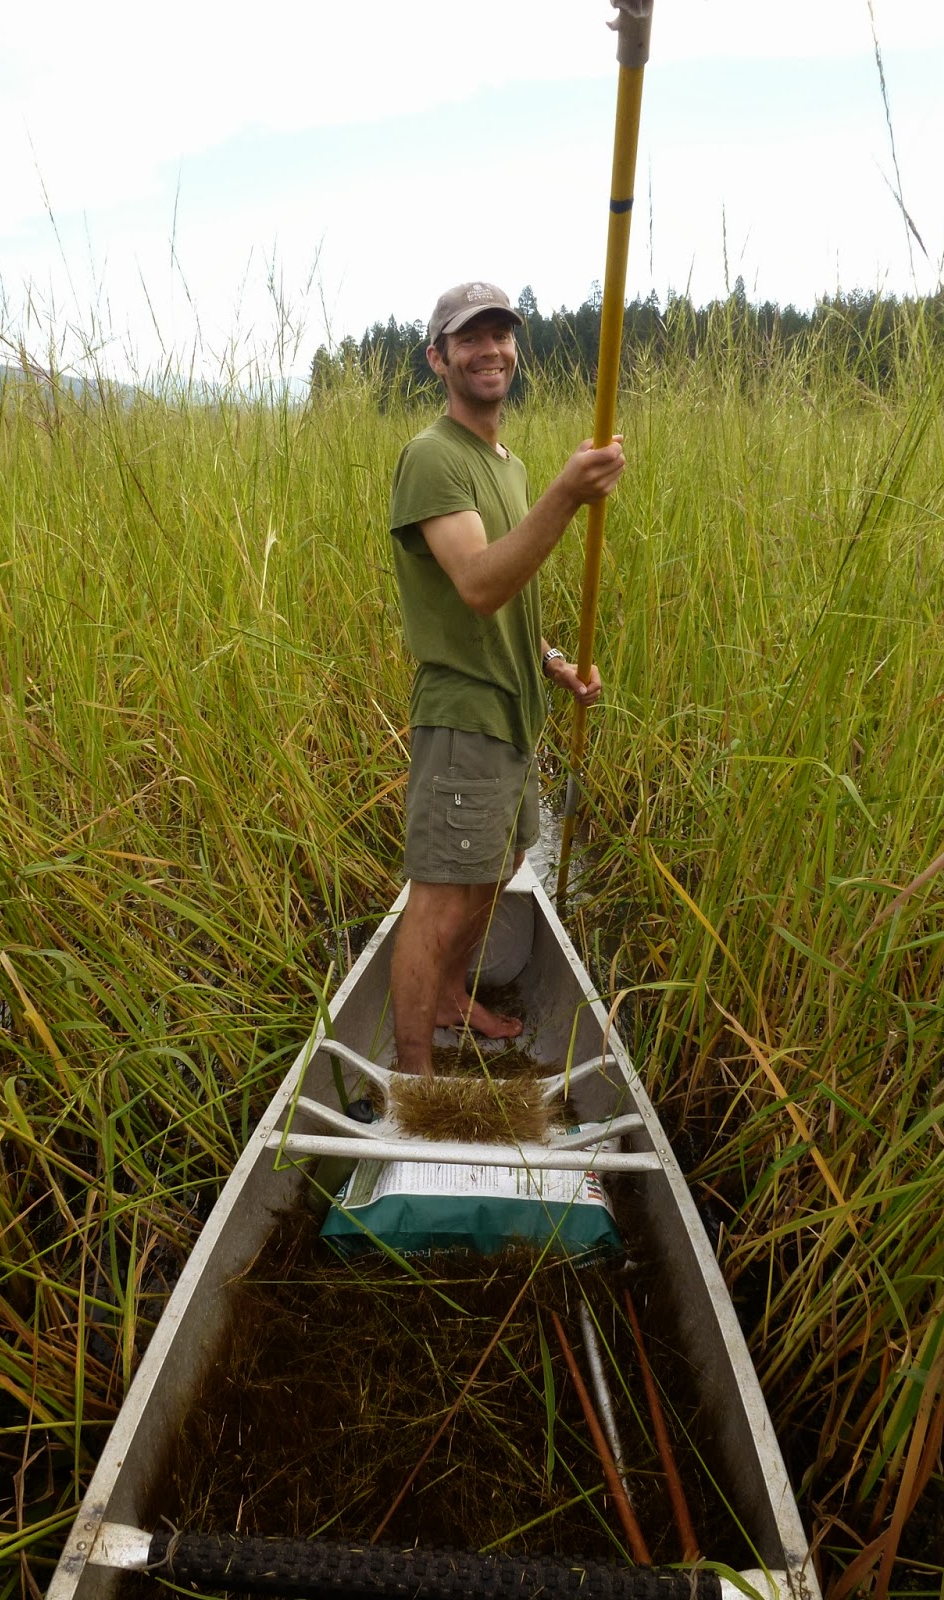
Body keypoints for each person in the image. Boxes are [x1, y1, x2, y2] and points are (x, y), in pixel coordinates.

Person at [387, 281, 625, 1077]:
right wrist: (566, 494)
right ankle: (415, 1074)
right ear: (438, 357)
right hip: (464, 717)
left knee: (496, 869)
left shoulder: (506, 465)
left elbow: (510, 599)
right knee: (443, 894)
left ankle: (452, 995)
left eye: (501, 334)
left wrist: (555, 665)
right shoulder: (432, 457)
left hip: (514, 713)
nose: (490, 349)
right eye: (469, 338)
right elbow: (481, 584)